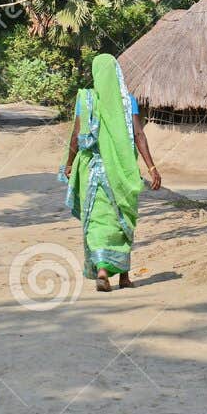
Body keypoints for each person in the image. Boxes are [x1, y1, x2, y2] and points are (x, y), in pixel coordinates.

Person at [64, 53, 161, 292]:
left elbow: (76, 137)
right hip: (122, 172)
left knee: (97, 221)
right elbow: (139, 135)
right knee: (123, 220)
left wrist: (68, 164)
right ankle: (124, 277)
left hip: (92, 172)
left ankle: (102, 271)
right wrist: (151, 167)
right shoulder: (128, 101)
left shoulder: (85, 101)